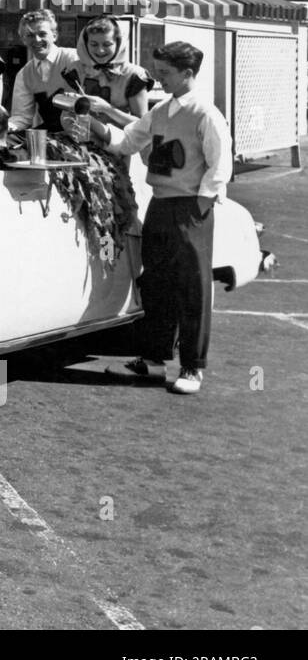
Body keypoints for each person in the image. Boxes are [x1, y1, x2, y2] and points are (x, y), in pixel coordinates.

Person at [79, 42, 232, 395]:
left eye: (164, 73)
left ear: (187, 73)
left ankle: (193, 367)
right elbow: (128, 141)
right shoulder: (163, 109)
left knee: (192, 287)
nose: (157, 79)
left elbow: (220, 164)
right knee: (156, 283)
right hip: (160, 205)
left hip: (191, 207)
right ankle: (153, 360)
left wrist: (200, 203)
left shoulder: (205, 112)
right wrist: (95, 127)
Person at [8, 10, 80, 133]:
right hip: (51, 134)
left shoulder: (74, 59)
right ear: (23, 40)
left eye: (42, 34)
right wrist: (4, 127)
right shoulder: (24, 74)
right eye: (30, 35)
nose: (36, 39)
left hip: (81, 130)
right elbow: (22, 117)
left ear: (54, 35)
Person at [73, 16, 152, 129]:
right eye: (94, 44)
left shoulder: (133, 75)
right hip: (81, 141)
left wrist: (107, 109)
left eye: (107, 45)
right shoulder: (76, 69)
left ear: (118, 43)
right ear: (86, 44)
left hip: (120, 143)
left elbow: (143, 125)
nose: (100, 50)